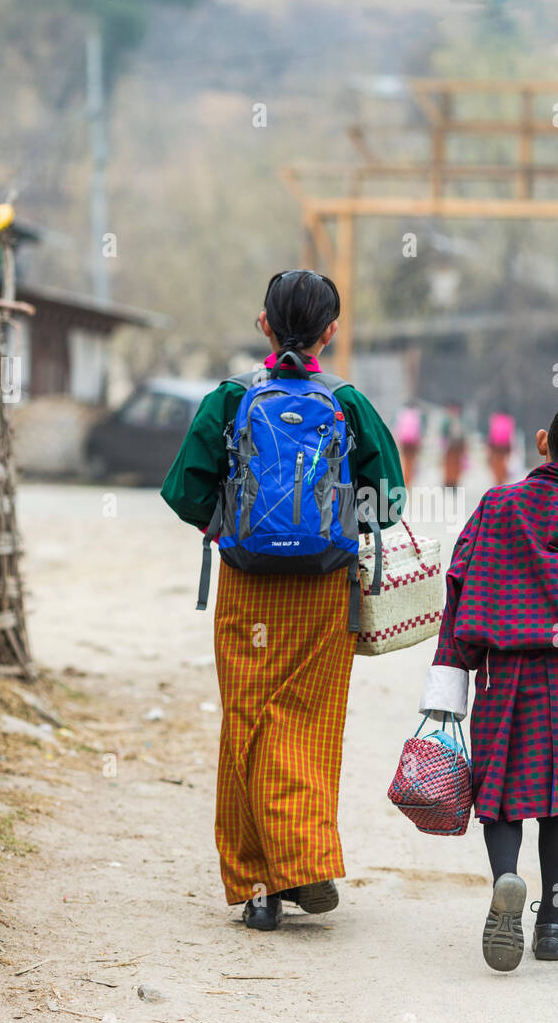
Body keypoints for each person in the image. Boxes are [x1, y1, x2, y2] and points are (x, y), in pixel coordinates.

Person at [161, 270, 405, 932]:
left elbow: (184, 490)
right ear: (331, 333)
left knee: (248, 719)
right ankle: (306, 865)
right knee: (309, 722)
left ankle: (257, 885)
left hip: (246, 588)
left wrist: (237, 524)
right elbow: (390, 502)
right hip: (324, 589)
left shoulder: (231, 398)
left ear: (263, 325)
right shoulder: (349, 402)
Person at [418, 399, 558, 972]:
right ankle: (552, 923)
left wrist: (453, 674)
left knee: (497, 796)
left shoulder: (495, 504)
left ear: (541, 442)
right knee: (556, 802)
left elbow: (460, 581)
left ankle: (507, 882)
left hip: (498, 671)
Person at [395, 402, 424, 488]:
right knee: (411, 462)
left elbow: (397, 428)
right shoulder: (418, 414)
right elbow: (420, 430)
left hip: (404, 442)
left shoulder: (401, 413)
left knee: (404, 461)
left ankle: (404, 481)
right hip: (413, 442)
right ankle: (408, 482)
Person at [440, 402, 467, 491]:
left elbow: (443, 432)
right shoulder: (461, 419)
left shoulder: (447, 419)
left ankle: (450, 482)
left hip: (451, 445)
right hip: (456, 445)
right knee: (454, 465)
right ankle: (452, 483)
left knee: (451, 465)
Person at [486, 411, 515, 487]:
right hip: (505, 447)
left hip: (495, 447)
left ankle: (498, 481)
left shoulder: (495, 420)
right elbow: (510, 435)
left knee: (496, 464)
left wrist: (490, 447)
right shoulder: (509, 420)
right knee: (503, 464)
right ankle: (501, 481)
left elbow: (491, 434)